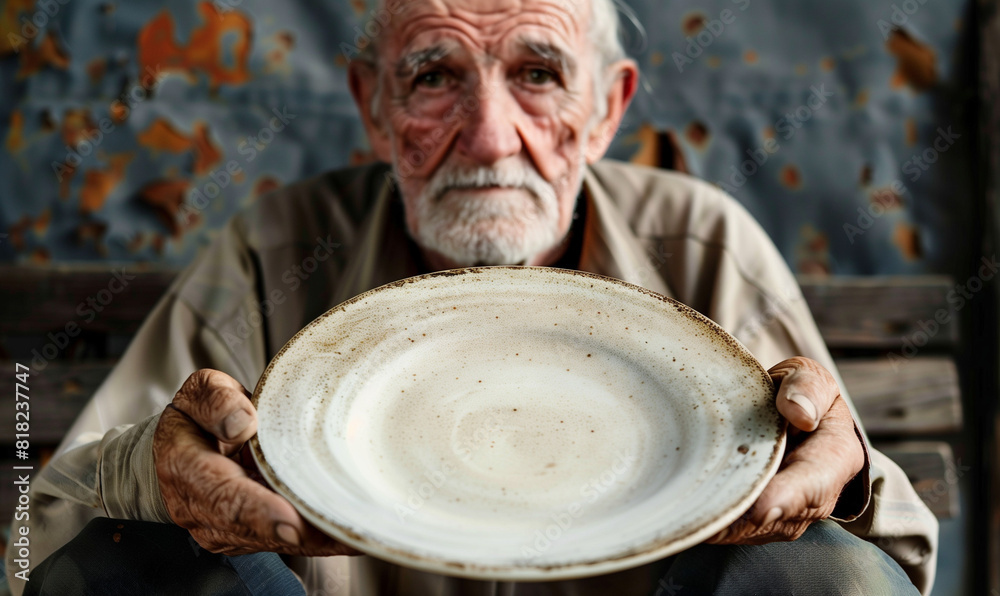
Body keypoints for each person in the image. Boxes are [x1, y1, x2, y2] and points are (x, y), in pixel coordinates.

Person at [7, 0, 938, 594]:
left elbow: (879, 553)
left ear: (607, 108)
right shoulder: (276, 249)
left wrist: (847, 476)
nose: (491, 137)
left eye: (537, 75)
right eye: (435, 77)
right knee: (138, 566)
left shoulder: (702, 247)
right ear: (372, 105)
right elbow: (36, 539)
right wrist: (151, 474)